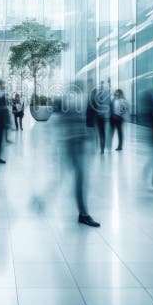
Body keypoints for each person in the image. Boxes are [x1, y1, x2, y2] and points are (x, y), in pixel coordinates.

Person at [58, 82, 100, 227]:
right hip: (73, 145)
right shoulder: (73, 103)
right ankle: (83, 214)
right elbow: (72, 125)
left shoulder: (74, 102)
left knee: (74, 178)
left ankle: (83, 212)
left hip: (74, 145)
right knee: (80, 178)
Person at [89, 81, 111, 153]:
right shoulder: (103, 96)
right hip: (101, 117)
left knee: (100, 133)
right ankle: (101, 147)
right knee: (102, 133)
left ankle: (100, 147)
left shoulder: (97, 97)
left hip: (99, 117)